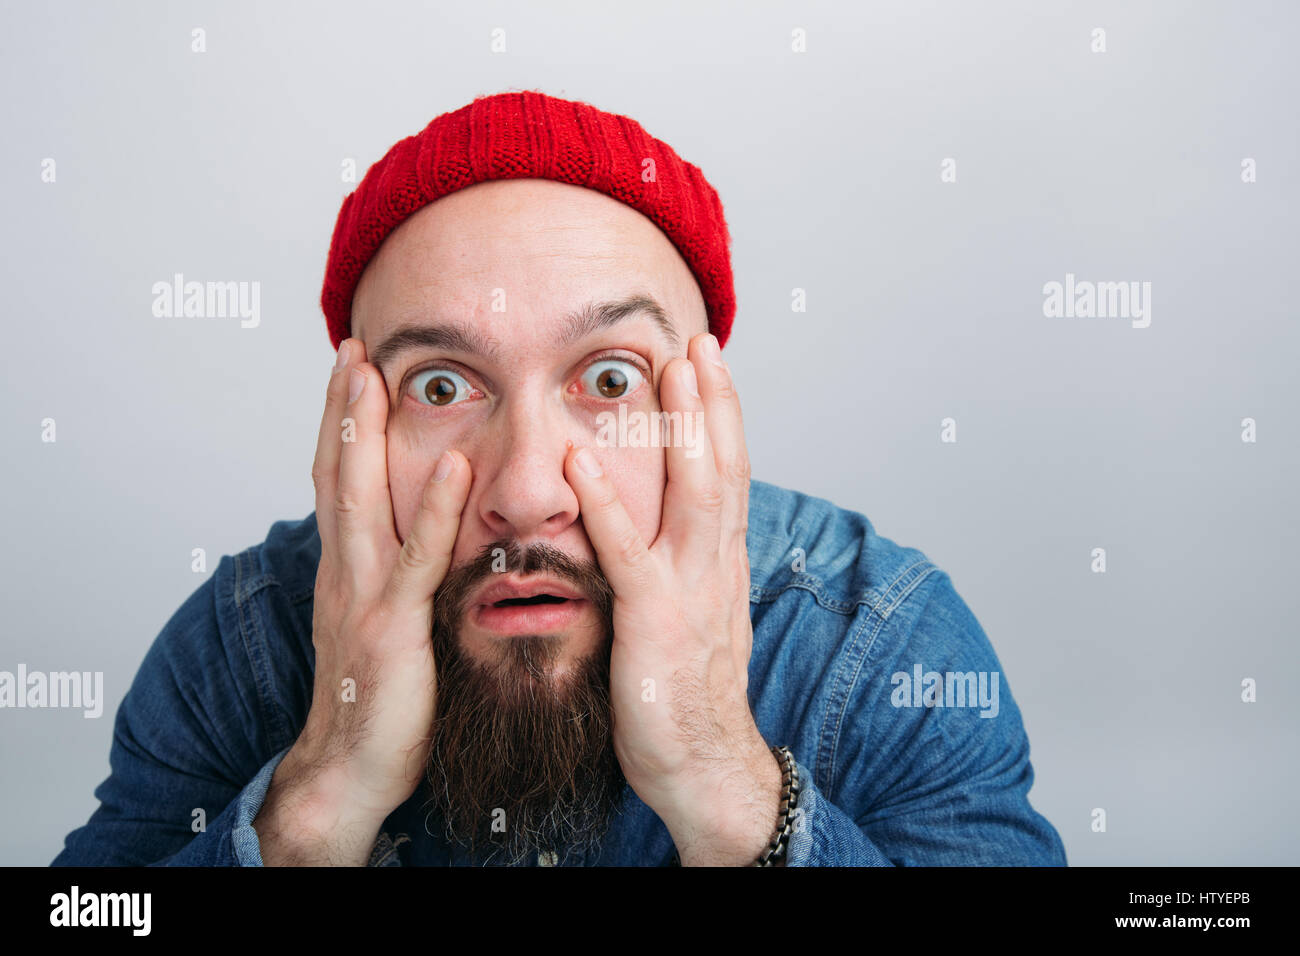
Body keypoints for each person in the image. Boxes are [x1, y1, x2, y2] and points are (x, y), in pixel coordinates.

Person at [53, 90, 1066, 867]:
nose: (528, 489)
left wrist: (727, 786)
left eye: (610, 378)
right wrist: (315, 806)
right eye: (441, 383)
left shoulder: (878, 640)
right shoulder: (237, 646)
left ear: (703, 417)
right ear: (352, 431)